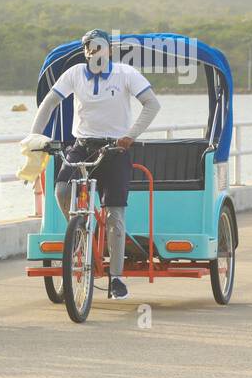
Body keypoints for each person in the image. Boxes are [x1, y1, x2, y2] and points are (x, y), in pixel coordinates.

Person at [21, 29, 162, 300]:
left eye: (97, 46)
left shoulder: (125, 74)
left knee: (114, 216)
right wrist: (36, 136)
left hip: (115, 150)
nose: (92, 51)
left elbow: (151, 104)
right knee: (61, 189)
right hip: (82, 146)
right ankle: (80, 233)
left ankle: (117, 278)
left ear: (108, 49)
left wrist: (130, 136)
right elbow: (50, 103)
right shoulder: (74, 73)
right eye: (87, 47)